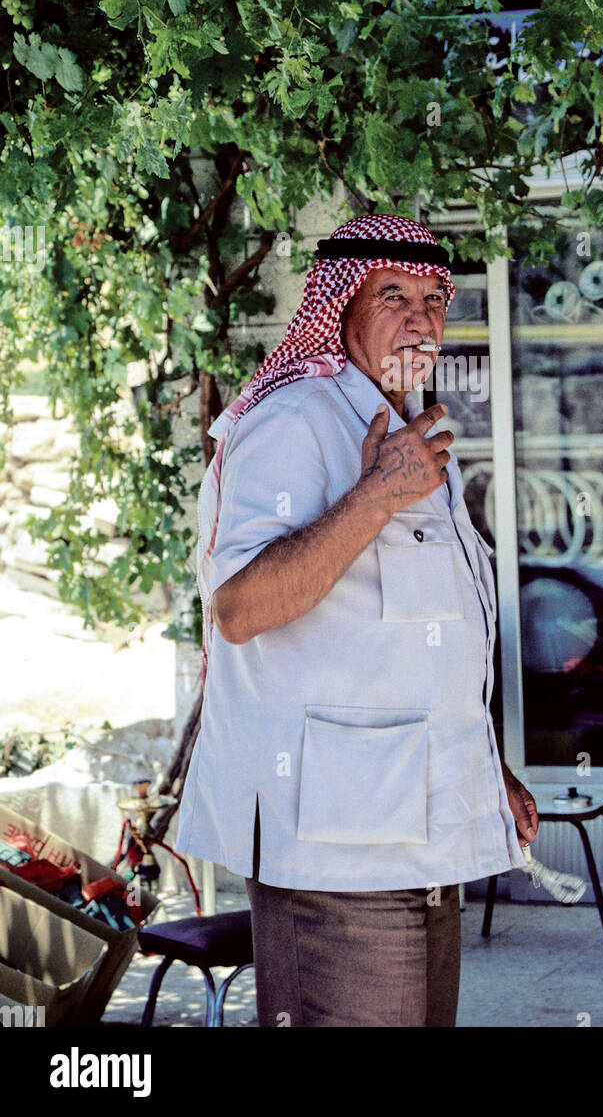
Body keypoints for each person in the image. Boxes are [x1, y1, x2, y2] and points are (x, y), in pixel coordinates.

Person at [175, 211, 538, 1027]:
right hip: (333, 848)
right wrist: (376, 493)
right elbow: (239, 608)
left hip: (417, 832)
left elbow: (417, 645)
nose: (421, 317)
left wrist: (487, 767)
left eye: (435, 298)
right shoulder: (297, 419)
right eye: (393, 294)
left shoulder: (405, 432)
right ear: (338, 307)